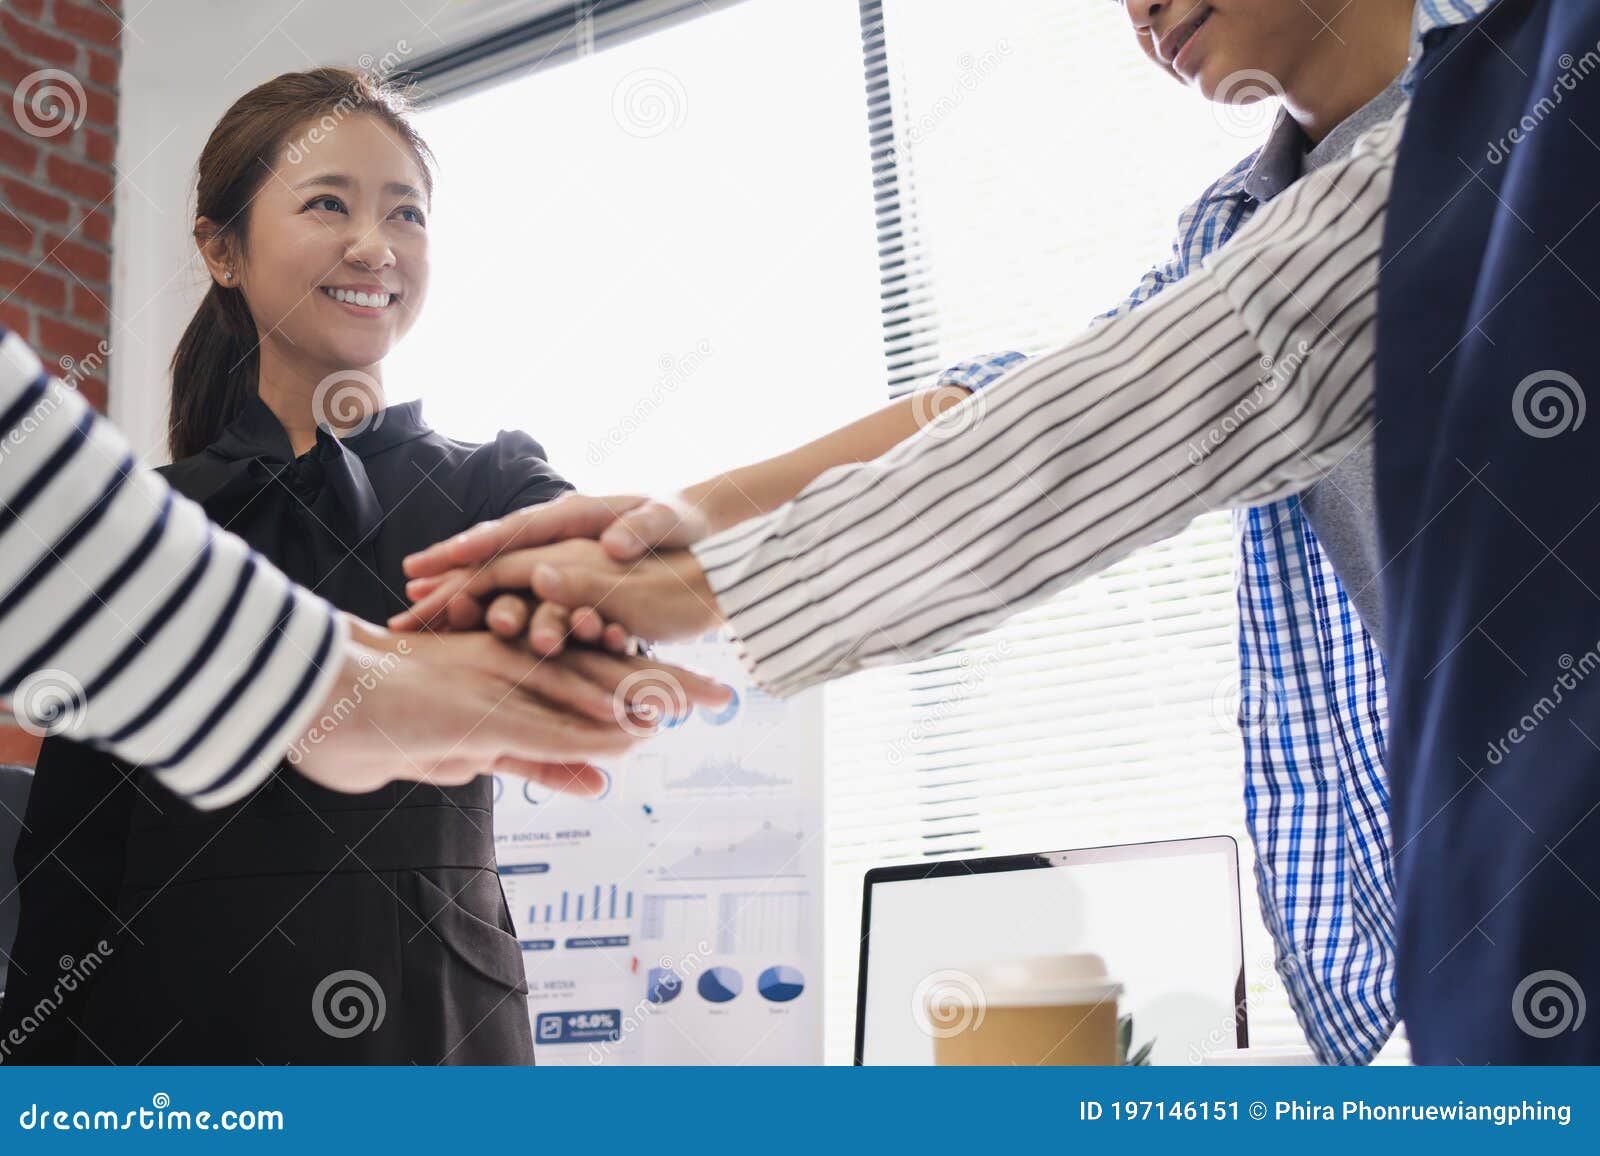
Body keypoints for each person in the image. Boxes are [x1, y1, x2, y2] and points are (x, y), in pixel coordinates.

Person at [396, 0, 1494, 1063]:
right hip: (1480, 879)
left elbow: (1153, 400)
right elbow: (1018, 395)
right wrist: (683, 515)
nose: (1141, 9)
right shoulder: (1238, 220)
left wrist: (702, 584)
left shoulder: (1520, 111)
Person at [0, 68, 725, 1066]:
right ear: (222, 249)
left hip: (433, 1027)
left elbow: (604, 608)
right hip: (170, 1023)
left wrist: (587, 618)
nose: (374, 246)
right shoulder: (144, 526)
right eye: (328, 204)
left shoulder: (496, 482)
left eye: (406, 215)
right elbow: (74, 852)